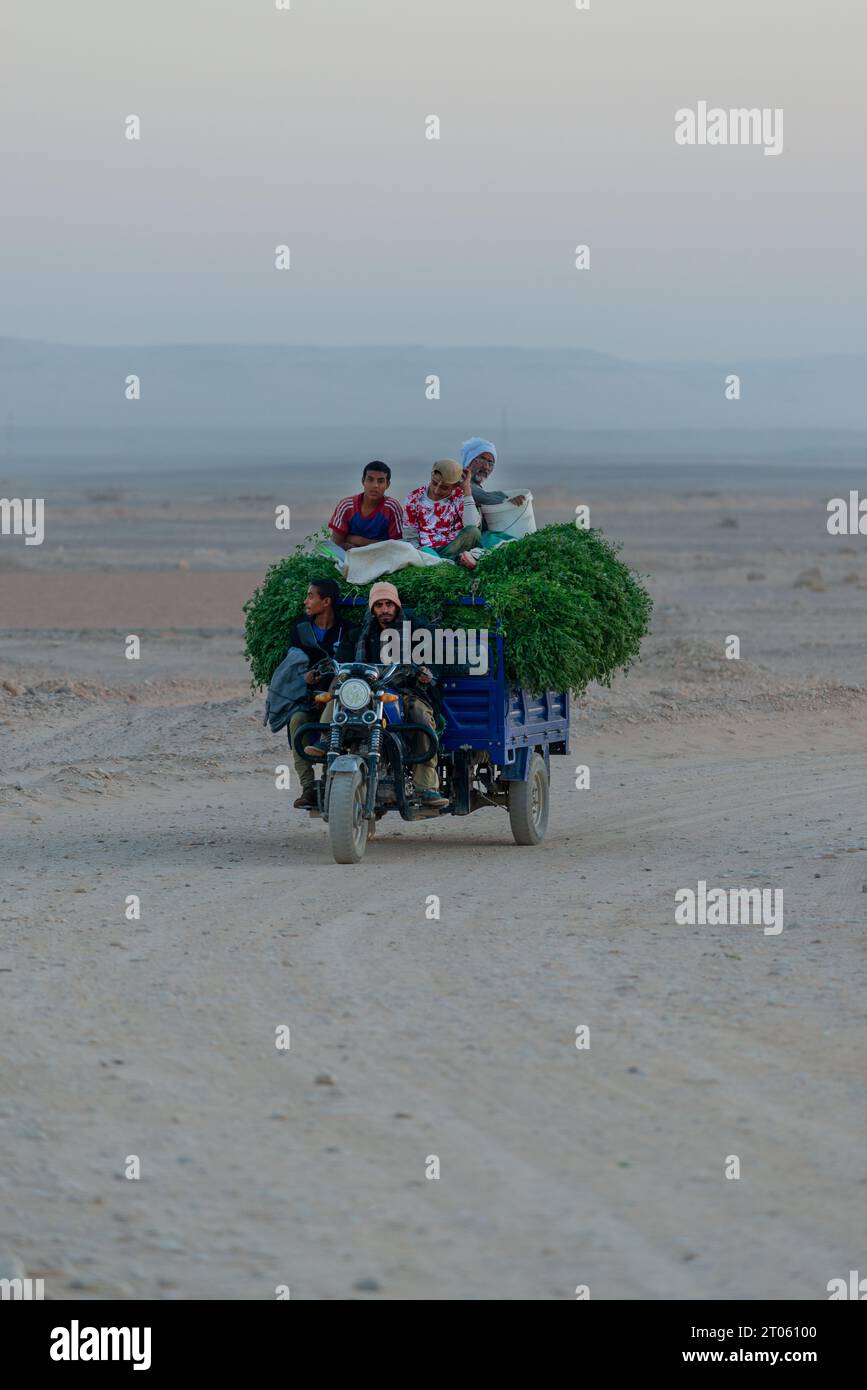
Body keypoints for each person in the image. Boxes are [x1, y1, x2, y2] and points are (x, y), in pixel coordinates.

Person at [306, 581, 450, 809]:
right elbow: (342, 659)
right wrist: (333, 671)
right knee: (339, 694)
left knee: (421, 718)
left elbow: (436, 660)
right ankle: (326, 743)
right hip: (367, 691)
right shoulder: (358, 633)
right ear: (372, 609)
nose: (385, 610)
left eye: (389, 604)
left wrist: (427, 672)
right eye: (379, 605)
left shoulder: (416, 630)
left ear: (397, 606)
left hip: (405, 691)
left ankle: (426, 787)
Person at [285, 579, 349, 810]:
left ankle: (334, 778)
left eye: (311, 596)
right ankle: (309, 788)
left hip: (342, 702)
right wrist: (305, 677)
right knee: (297, 722)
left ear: (326, 601)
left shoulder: (347, 629)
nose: (306, 601)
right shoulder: (300, 629)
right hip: (310, 699)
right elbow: (293, 665)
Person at [402, 458, 482, 568]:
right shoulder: (413, 499)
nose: (436, 490)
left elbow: (472, 524)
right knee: (423, 551)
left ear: (455, 486)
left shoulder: (459, 496)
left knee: (473, 532)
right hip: (428, 550)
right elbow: (410, 537)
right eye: (434, 483)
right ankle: (455, 561)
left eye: (444, 488)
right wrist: (420, 553)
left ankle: (449, 561)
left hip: (453, 546)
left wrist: (467, 491)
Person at [459, 437, 527, 549]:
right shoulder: (462, 482)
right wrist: (506, 500)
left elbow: (484, 496)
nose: (486, 467)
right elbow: (483, 497)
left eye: (490, 463)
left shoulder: (474, 485)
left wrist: (504, 497)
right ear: (469, 461)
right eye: (482, 460)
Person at [328, 461, 404, 551]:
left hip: (382, 558)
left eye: (380, 481)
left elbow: (396, 547)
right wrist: (376, 544)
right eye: (370, 479)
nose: (375, 485)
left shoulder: (392, 507)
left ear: (387, 485)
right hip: (350, 557)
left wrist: (357, 540)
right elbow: (336, 543)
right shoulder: (347, 506)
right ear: (363, 481)